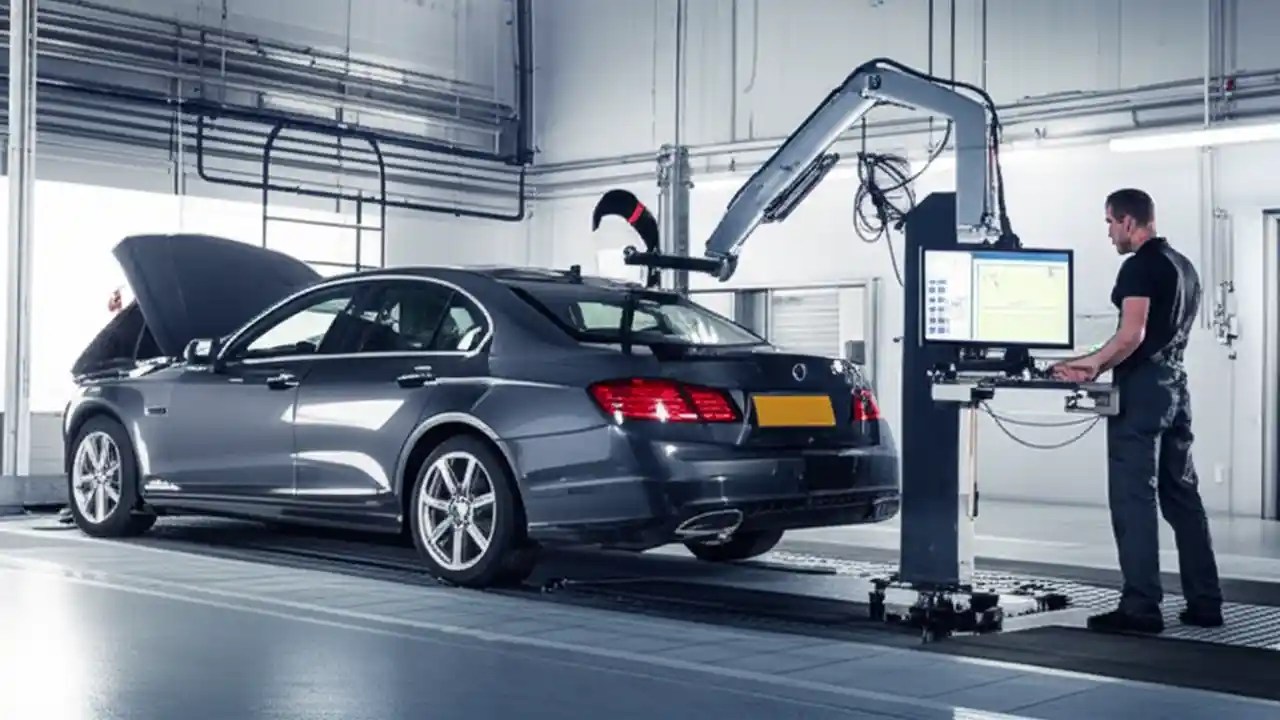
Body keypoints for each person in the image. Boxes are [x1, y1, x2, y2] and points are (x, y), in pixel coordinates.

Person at [1050, 188, 1223, 634]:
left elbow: (1131, 335)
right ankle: (1206, 602)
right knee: (1183, 497)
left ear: (1129, 221)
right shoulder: (1183, 267)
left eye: (1109, 222)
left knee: (1134, 498)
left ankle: (1141, 607)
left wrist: (1089, 366)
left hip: (1143, 389)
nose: (1108, 233)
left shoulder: (1139, 266)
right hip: (1176, 388)